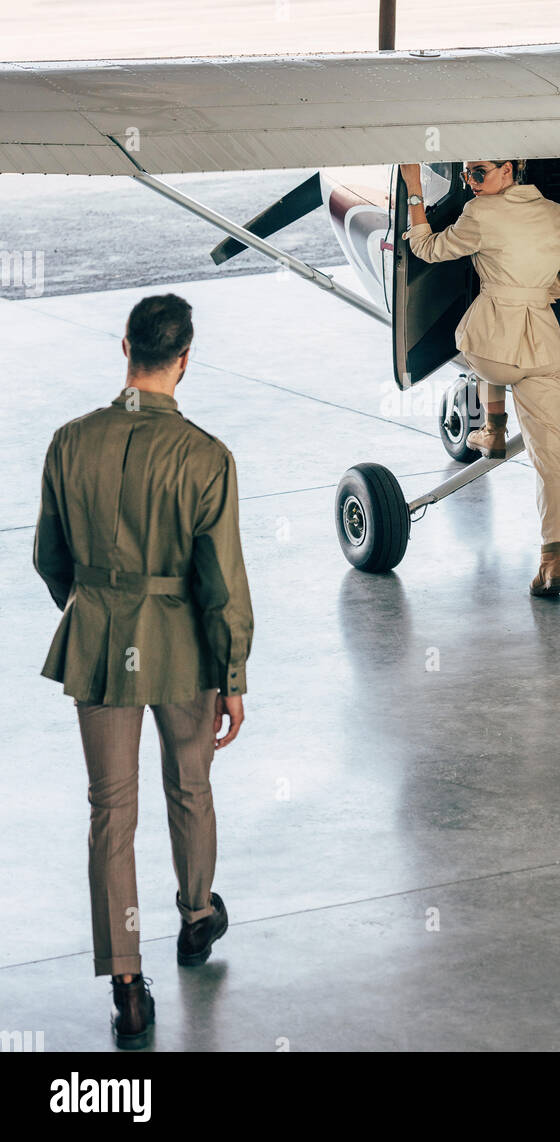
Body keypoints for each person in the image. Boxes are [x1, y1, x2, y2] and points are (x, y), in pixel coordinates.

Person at [33, 293, 253, 1049]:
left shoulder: (68, 441)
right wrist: (233, 674)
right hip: (182, 645)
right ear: (185, 358)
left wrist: (95, 610)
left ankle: (126, 983)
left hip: (97, 641)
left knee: (110, 812)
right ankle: (196, 918)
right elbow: (221, 581)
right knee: (190, 786)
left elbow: (48, 557)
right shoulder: (204, 456)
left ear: (123, 345)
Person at [400, 160, 560, 597]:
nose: (470, 182)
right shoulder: (558, 215)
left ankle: (492, 427)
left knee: (476, 349)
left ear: (510, 169)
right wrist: (538, 293)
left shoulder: (479, 215)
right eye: (468, 174)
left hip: (490, 350)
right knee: (550, 455)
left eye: (478, 173)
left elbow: (427, 248)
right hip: (545, 349)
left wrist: (415, 190)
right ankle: (553, 558)